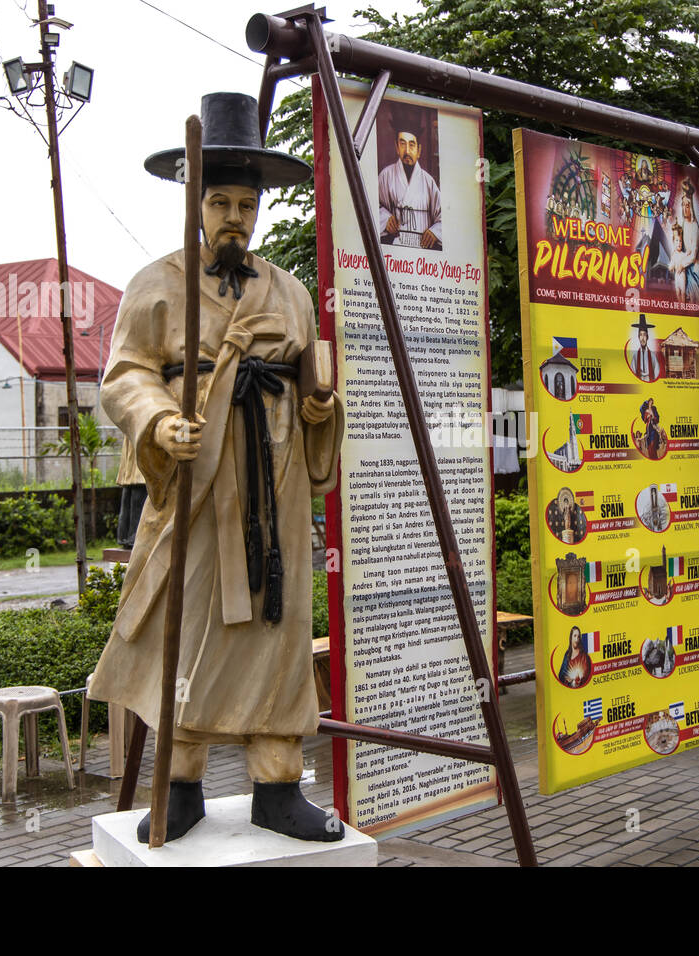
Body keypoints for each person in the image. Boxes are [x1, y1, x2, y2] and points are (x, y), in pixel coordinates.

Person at [89, 92, 344, 844]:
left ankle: (276, 783)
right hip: (196, 484)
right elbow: (124, 374)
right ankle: (182, 783)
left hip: (276, 486)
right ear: (196, 204)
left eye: (246, 204)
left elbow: (315, 379)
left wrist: (321, 410)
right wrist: (161, 420)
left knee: (277, 627)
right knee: (189, 624)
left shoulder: (290, 292)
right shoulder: (156, 284)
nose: (235, 216)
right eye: (221, 202)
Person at [378, 113, 443, 250]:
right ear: (396, 147)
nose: (407, 151)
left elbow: (444, 217)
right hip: (392, 251)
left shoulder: (428, 182)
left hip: (424, 255)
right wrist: (385, 219)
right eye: (402, 144)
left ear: (419, 150)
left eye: (411, 145)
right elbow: (370, 206)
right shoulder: (386, 175)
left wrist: (435, 232)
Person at [628, 314, 659, 381]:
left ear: (647, 337)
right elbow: (632, 373)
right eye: (641, 335)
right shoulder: (635, 356)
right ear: (638, 337)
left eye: (644, 335)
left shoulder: (652, 356)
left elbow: (656, 373)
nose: (642, 338)